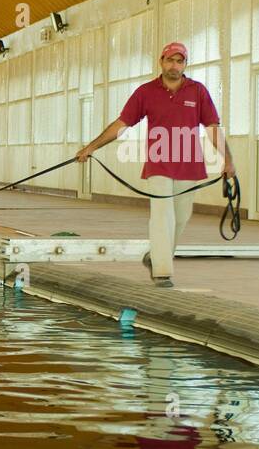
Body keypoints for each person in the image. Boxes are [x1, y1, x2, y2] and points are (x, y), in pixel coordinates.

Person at [75, 41, 234, 288]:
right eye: (170, 60)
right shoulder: (145, 92)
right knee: (162, 215)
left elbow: (212, 128)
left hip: (189, 164)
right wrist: (92, 146)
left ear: (185, 64)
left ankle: (155, 257)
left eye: (179, 61)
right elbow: (122, 124)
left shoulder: (198, 91)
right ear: (161, 61)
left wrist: (228, 160)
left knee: (181, 218)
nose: (174, 65)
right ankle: (162, 271)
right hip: (158, 163)